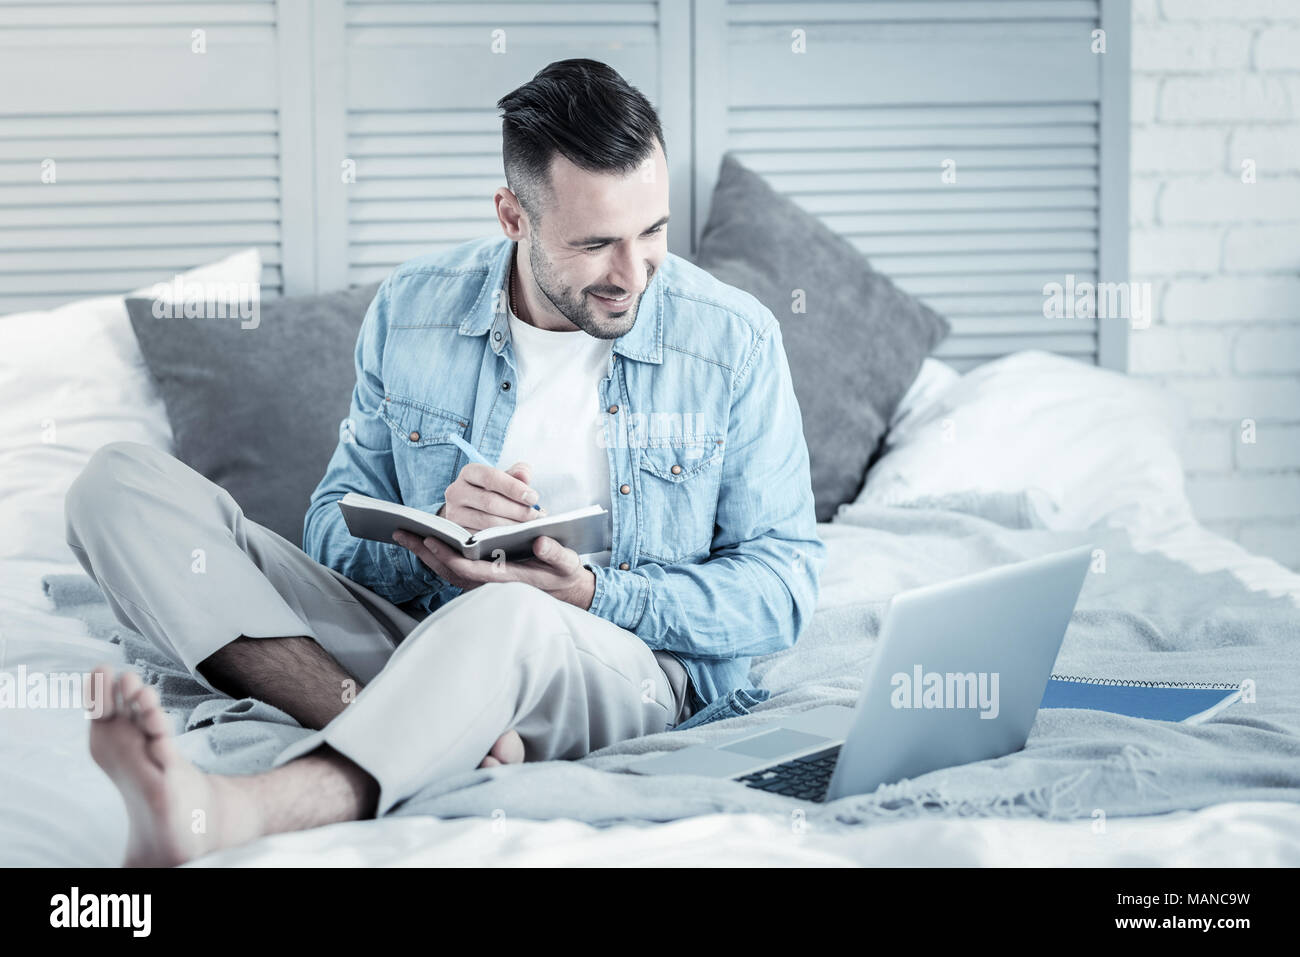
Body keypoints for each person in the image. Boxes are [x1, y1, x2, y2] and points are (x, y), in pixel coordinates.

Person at [66, 58, 824, 866]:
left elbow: (784, 586)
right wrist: (422, 541)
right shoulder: (413, 308)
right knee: (115, 484)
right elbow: (330, 524)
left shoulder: (733, 341)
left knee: (507, 614)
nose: (633, 274)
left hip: (622, 668)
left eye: (654, 231)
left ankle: (245, 807)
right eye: (598, 242)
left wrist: (596, 592)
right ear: (513, 216)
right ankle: (420, 720)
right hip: (422, 630)